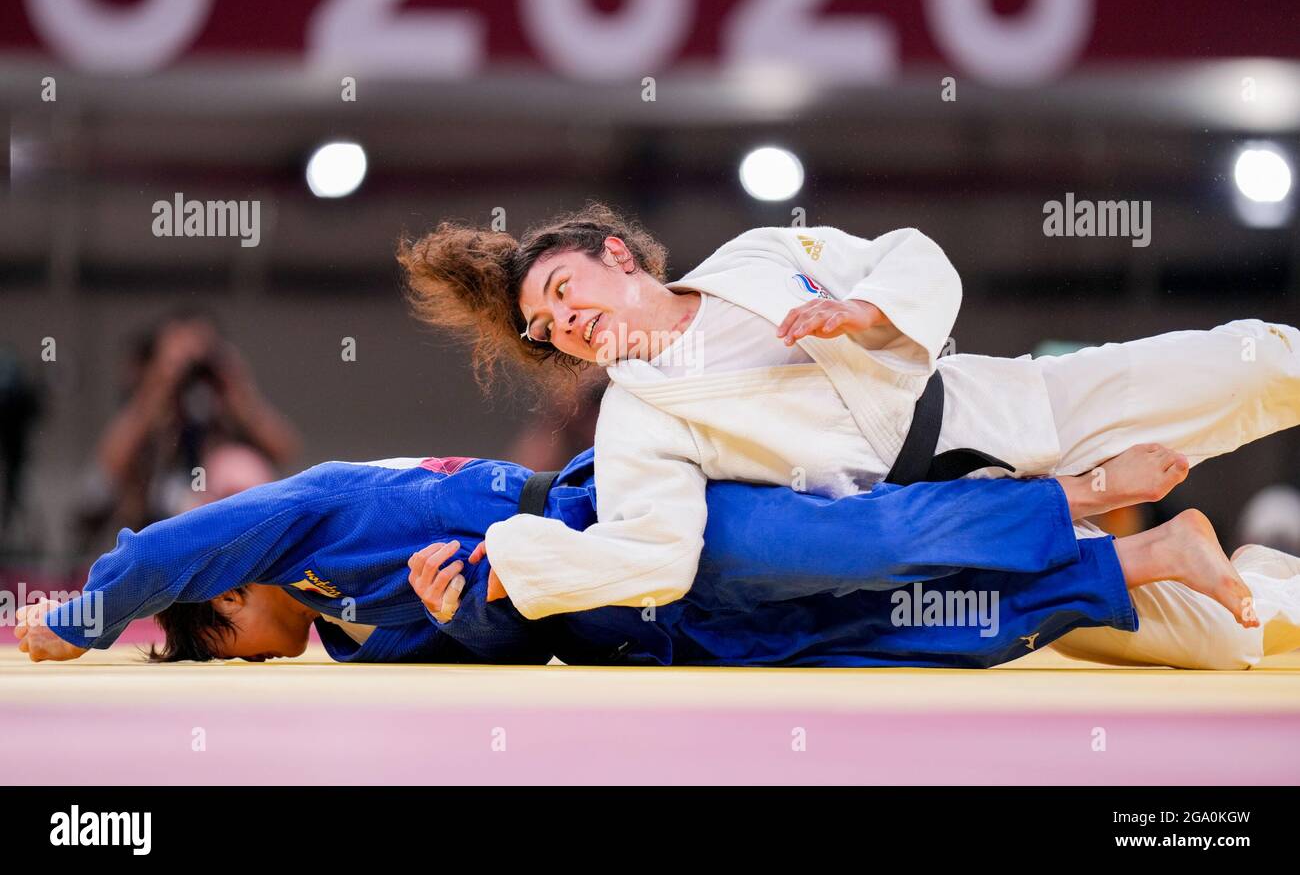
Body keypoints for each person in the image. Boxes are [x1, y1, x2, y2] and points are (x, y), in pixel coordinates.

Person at [396, 204, 1299, 625]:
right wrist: (509, 559)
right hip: (955, 532)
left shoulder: (755, 256)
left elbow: (911, 251)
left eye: (564, 291)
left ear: (617, 255)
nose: (567, 325)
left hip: (1003, 403)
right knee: (1217, 634)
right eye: (548, 329)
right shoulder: (638, 420)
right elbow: (654, 558)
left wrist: (868, 314)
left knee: (1251, 359)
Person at [14, 446, 1300, 670]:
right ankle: (1137, 566)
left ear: (224, 599)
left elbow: (177, 541)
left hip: (616, 519)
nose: (260, 654)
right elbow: (512, 650)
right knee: (916, 623)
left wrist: (77, 613)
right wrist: (457, 621)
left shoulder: (305, 520)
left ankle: (1079, 496)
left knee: (858, 539)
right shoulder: (360, 627)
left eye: (226, 640)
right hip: (638, 618)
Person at [76, 311, 300, 554]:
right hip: (157, 545)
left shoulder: (227, 410)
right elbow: (111, 465)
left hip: (224, 546)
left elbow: (285, 449)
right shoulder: (148, 412)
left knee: (239, 468)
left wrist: (236, 389)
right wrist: (161, 383)